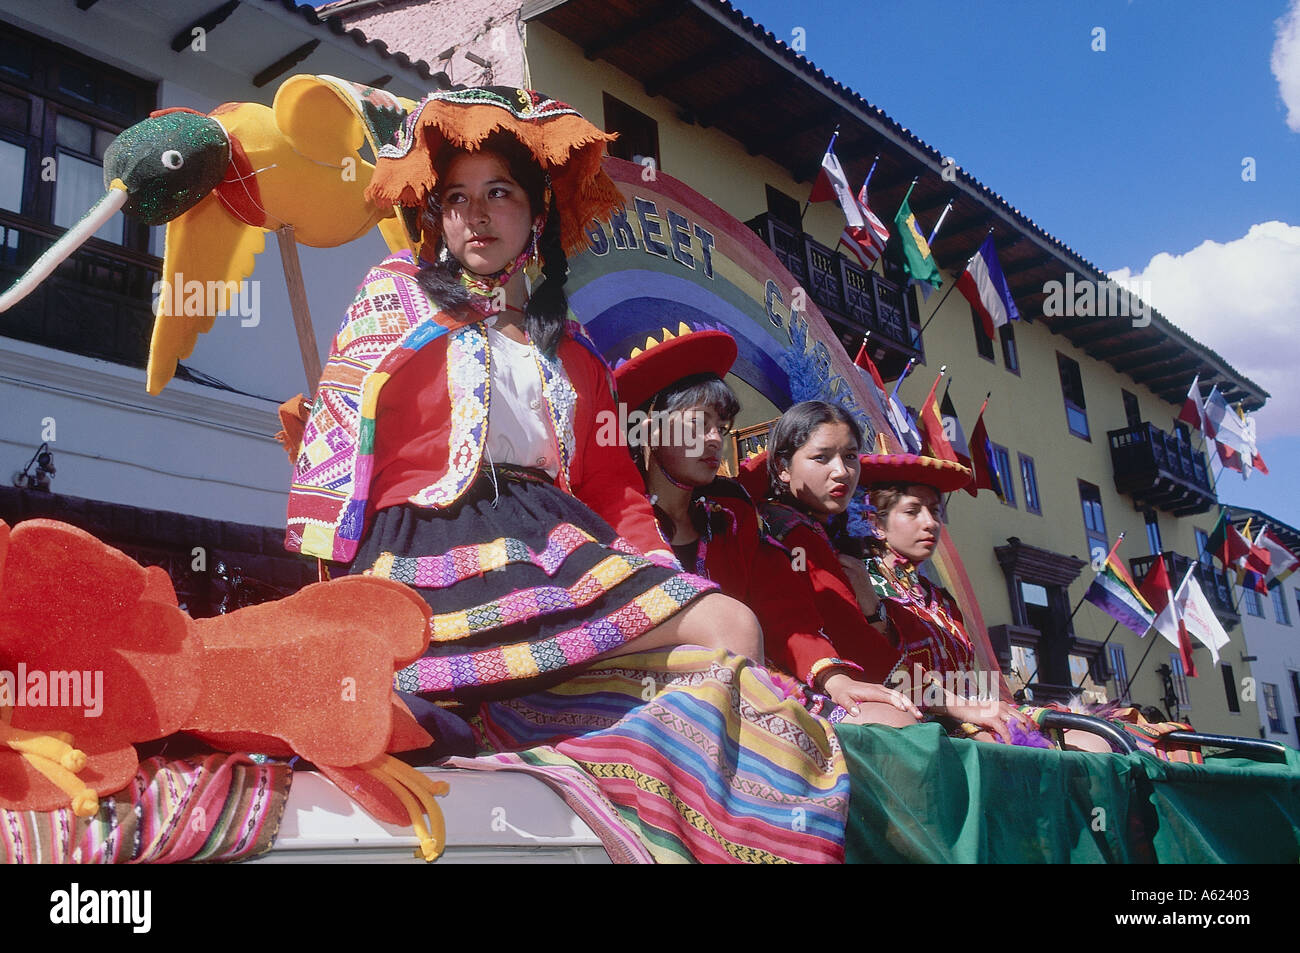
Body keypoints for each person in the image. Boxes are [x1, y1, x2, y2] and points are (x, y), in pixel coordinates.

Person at [285, 86, 759, 705]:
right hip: (428, 537)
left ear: (538, 216)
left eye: (498, 192)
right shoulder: (397, 299)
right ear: (437, 218)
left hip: (560, 540)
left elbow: (611, 487)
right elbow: (341, 449)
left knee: (731, 628)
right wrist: (330, 568)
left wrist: (658, 571)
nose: (475, 213)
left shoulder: (577, 353)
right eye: (456, 197)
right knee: (428, 696)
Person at [613, 329, 920, 727]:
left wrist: (834, 677)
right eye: (699, 424)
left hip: (747, 682)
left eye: (721, 429)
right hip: (643, 688)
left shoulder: (734, 519)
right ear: (649, 428)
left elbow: (783, 614)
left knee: (892, 722)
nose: (713, 440)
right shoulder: (614, 517)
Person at [857, 453, 1036, 743]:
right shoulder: (862, 583)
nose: (930, 523)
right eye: (913, 511)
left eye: (936, 511)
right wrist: (967, 710)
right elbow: (881, 670)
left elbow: (967, 680)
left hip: (969, 716)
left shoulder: (940, 599)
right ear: (876, 524)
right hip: (910, 724)